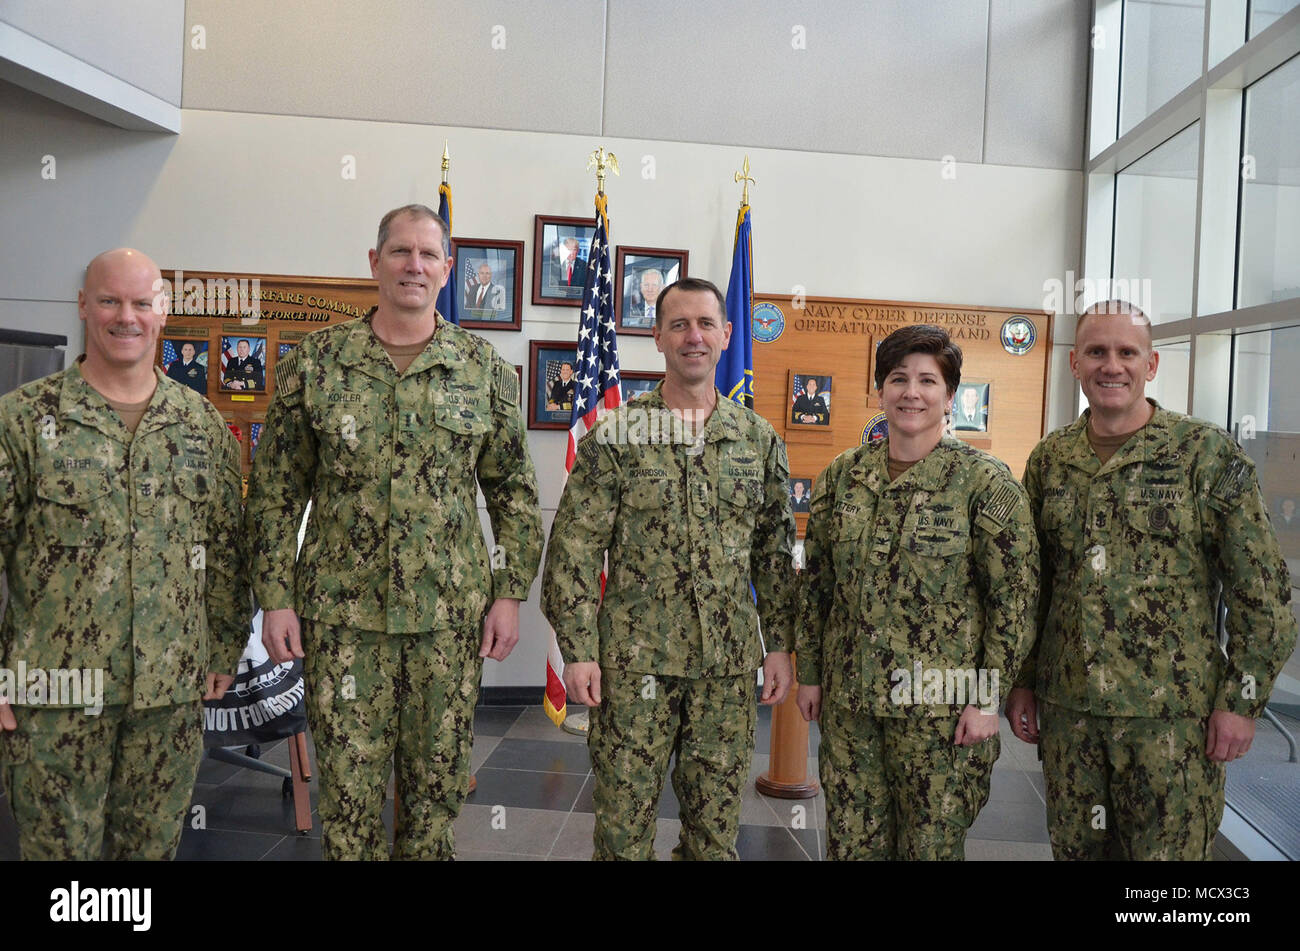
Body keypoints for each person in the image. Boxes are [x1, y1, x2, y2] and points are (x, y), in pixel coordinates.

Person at [245, 204, 543, 860]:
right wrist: (276, 596)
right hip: (342, 622)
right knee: (348, 800)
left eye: (427, 254)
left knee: (434, 797)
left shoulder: (482, 368)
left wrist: (509, 592)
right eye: (400, 251)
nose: (414, 264)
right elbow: (274, 492)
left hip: (447, 623)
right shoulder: (317, 363)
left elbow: (515, 495)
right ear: (373, 263)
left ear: (446, 270)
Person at [1006, 300, 1298, 861]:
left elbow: (1262, 594)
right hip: (1072, 716)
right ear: (1074, 364)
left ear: (1152, 363)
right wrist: (1023, 679)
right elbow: (1032, 585)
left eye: (1126, 352)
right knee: (1078, 853)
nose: (1110, 365)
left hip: (1172, 725)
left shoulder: (1205, 455)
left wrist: (1241, 701)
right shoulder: (1051, 460)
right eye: (1096, 351)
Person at [0, 248, 248, 860]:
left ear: (163, 312)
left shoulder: (201, 424)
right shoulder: (25, 418)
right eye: (109, 300)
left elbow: (224, 550)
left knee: (149, 856)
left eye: (142, 302)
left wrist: (222, 646)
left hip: (168, 696)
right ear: (83, 305)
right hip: (53, 693)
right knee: (61, 862)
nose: (125, 316)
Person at [542, 276, 796, 860]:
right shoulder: (618, 434)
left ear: (727, 335)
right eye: (678, 324)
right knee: (622, 836)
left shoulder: (756, 440)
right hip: (633, 672)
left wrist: (778, 645)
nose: (693, 337)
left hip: (726, 673)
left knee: (714, 839)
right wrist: (577, 648)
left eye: (706, 324)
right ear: (657, 337)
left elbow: (775, 557)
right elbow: (574, 550)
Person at [796, 324, 1038, 860]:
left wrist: (986, 697)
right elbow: (816, 586)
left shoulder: (985, 483)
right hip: (851, 706)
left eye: (928, 381)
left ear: (950, 395)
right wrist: (810, 672)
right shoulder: (842, 476)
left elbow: (1014, 603)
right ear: (879, 389)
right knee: (851, 847)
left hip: (939, 717)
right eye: (898, 378)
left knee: (929, 850)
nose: (912, 392)